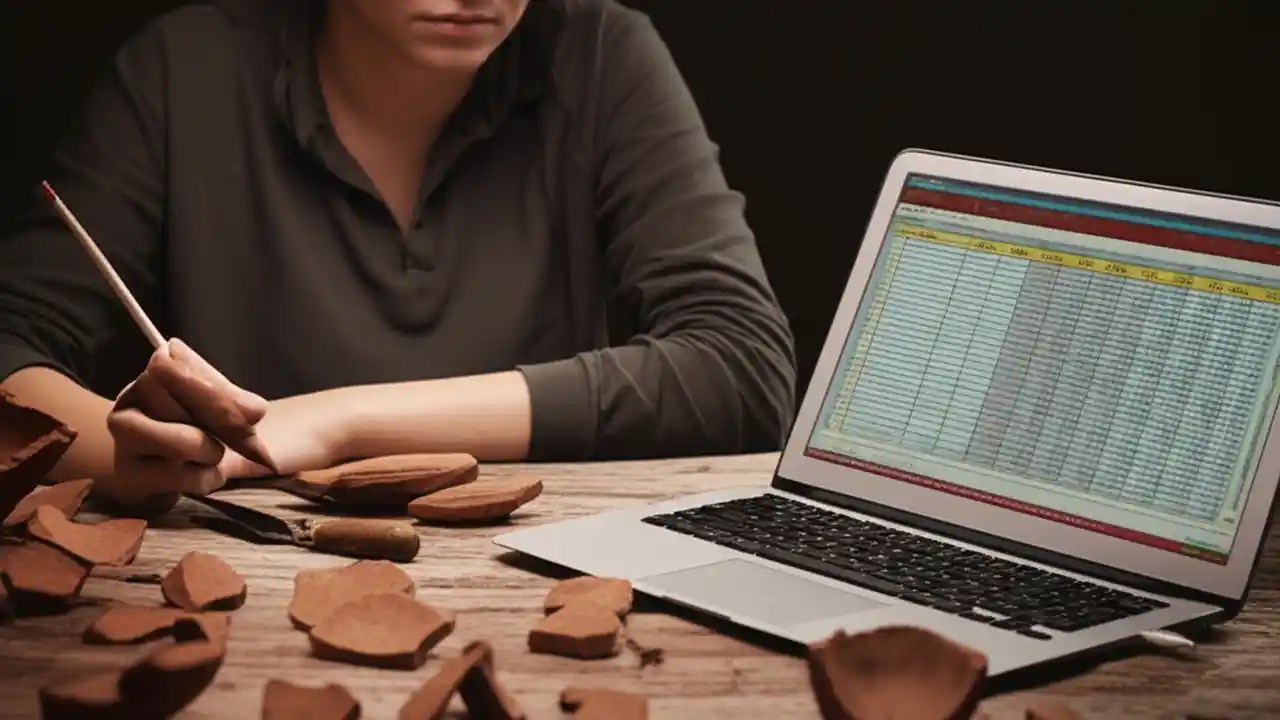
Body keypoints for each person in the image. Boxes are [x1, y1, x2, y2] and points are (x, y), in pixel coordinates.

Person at [0, 0, 796, 511]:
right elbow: (11, 344)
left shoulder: (599, 52)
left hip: (539, 580)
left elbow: (742, 366)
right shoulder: (183, 70)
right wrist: (131, 457)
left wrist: (338, 422)